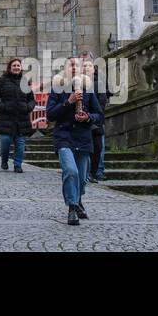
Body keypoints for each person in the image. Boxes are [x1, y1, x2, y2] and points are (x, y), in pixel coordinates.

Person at [45, 56, 104, 226]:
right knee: (71, 171)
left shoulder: (88, 89)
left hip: (83, 137)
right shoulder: (58, 88)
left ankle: (78, 200)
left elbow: (99, 115)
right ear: (65, 68)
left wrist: (87, 117)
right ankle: (72, 207)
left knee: (82, 178)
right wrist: (68, 102)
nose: (73, 67)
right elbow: (50, 114)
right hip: (64, 136)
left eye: (76, 65)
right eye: (70, 65)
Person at [0, 57, 35, 172]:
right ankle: (4, 160)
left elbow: (31, 99)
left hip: (22, 118)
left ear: (21, 68)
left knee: (20, 143)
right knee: (5, 142)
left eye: (18, 66)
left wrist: (28, 107)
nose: (16, 67)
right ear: (10, 68)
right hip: (6, 118)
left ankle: (17, 165)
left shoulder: (25, 81)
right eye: (14, 65)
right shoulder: (2, 80)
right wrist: (2, 107)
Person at [82, 55, 110, 182]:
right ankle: (86, 172)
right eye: (84, 66)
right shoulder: (78, 83)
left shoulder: (99, 84)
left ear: (94, 69)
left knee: (98, 148)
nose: (87, 68)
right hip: (82, 121)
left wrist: (93, 116)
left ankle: (94, 172)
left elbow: (101, 102)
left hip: (96, 120)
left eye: (89, 66)